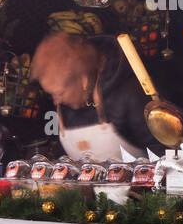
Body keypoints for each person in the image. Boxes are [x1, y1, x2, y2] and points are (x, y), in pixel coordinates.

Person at [30, 32, 160, 161]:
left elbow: (162, 151)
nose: (55, 100)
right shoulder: (63, 104)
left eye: (59, 93)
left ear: (83, 80)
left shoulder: (129, 95)